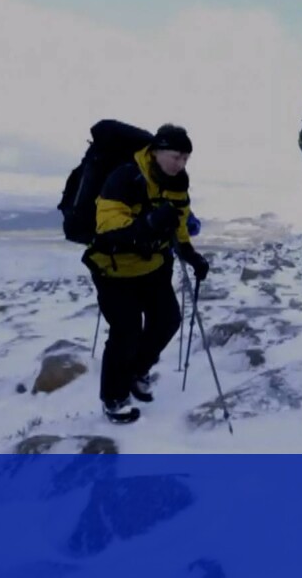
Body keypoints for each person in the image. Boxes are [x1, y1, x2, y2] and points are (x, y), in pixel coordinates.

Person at [83, 124, 210, 422]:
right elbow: (109, 229)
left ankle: (137, 372)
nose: (181, 164)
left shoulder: (178, 184)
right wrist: (150, 223)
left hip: (152, 266)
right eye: (176, 156)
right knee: (126, 331)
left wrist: (191, 256)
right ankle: (114, 397)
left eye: (186, 159)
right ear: (156, 151)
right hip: (113, 269)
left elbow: (178, 226)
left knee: (167, 320)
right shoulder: (125, 177)